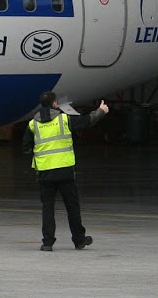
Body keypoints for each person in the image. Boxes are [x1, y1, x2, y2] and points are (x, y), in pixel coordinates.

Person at [23, 91, 108, 251]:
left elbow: (26, 148)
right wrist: (101, 111)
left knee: (47, 208)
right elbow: (86, 122)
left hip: (45, 173)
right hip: (65, 172)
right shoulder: (64, 119)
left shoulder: (33, 124)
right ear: (55, 104)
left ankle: (47, 242)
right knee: (72, 207)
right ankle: (79, 240)